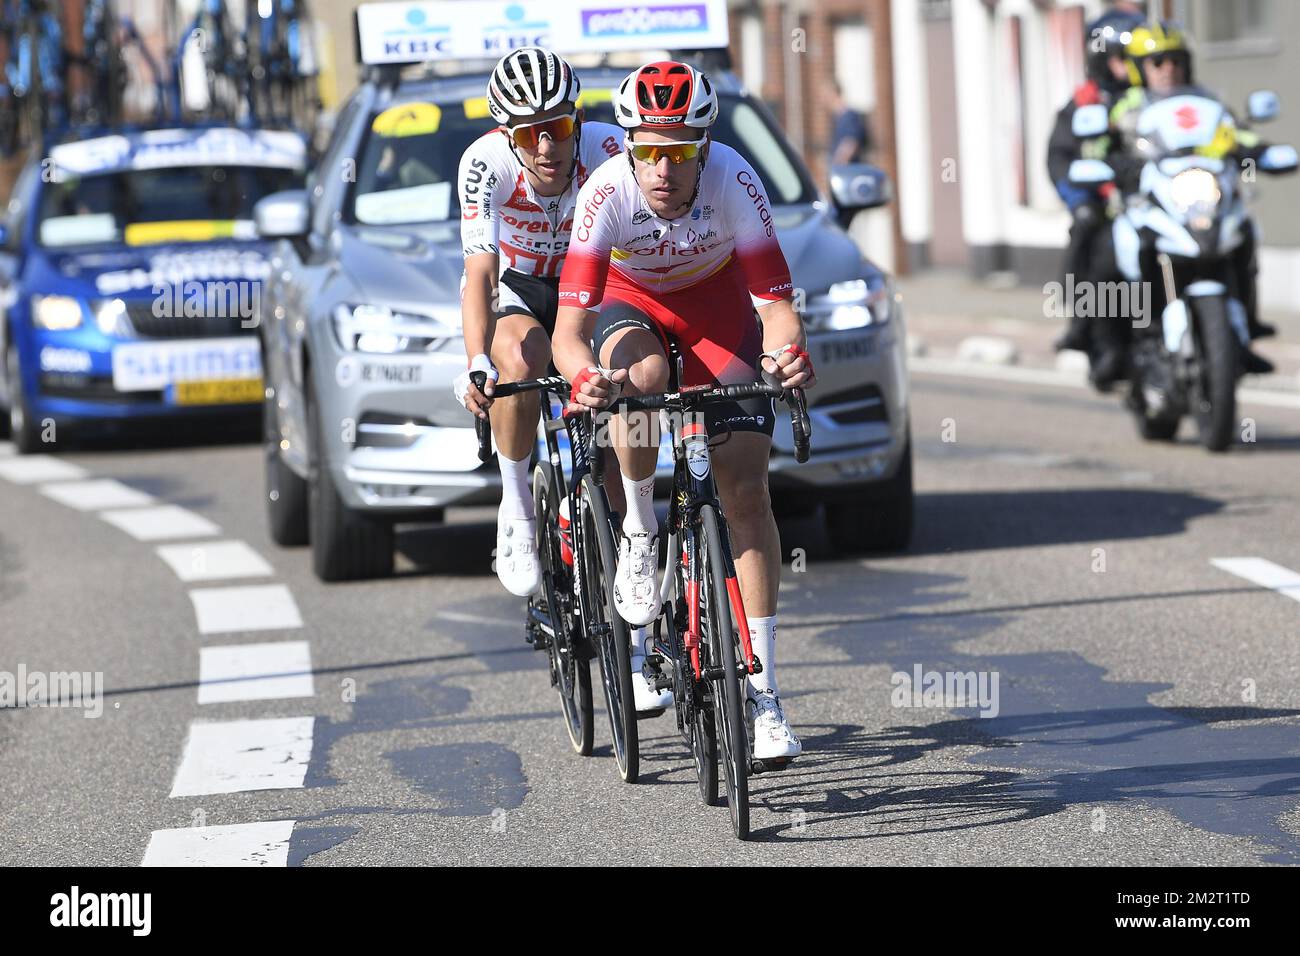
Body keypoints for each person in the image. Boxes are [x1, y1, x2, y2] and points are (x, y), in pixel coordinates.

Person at [552, 61, 814, 761]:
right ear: (629, 147)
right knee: (639, 376)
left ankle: (764, 697)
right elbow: (569, 334)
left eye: (679, 151)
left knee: (746, 489)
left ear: (702, 146)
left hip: (714, 310)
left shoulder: (735, 180)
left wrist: (788, 356)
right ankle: (640, 526)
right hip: (632, 303)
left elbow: (776, 308)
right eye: (648, 151)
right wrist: (583, 378)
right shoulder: (605, 189)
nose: (662, 167)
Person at [453, 47, 623, 598]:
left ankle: (621, 530)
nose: (546, 146)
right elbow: (480, 273)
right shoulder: (486, 165)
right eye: (529, 135)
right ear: (508, 137)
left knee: (617, 381)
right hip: (519, 284)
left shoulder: (607, 149)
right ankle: (518, 508)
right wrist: (477, 360)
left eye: (556, 127)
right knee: (520, 361)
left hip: (587, 283)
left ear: (577, 119)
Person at [1107, 21, 1275, 374]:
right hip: (1154, 202)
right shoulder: (1126, 108)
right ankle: (1136, 332)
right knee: (1127, 246)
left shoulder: (1208, 101)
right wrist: (1120, 166)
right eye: (1157, 62)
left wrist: (1259, 152)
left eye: (1175, 60)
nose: (1168, 69)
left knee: (1243, 234)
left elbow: (1237, 137)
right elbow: (1106, 150)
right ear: (1140, 68)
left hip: (1200, 200)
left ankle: (1246, 326)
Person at [1046, 3, 1145, 389]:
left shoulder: (1151, 99)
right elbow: (1058, 155)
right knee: (1095, 246)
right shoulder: (1084, 103)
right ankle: (1090, 329)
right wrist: (1078, 198)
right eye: (1124, 60)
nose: (1131, 68)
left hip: (1153, 200)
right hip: (1103, 203)